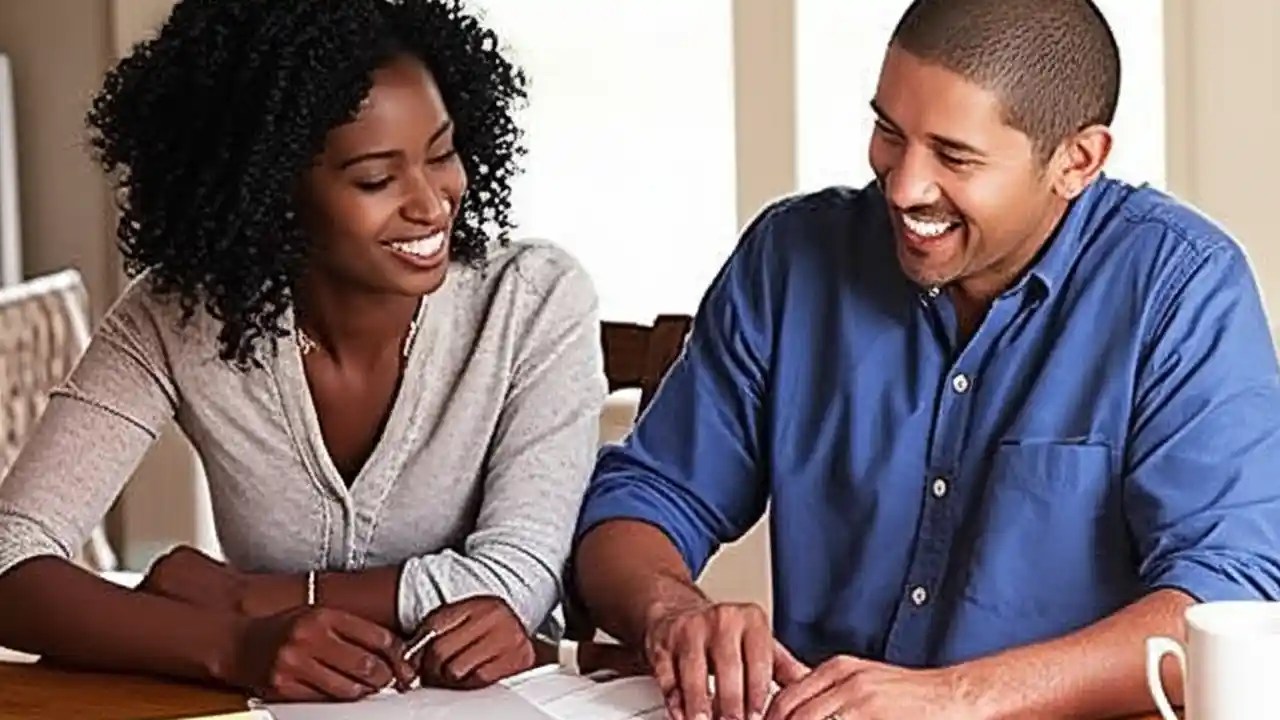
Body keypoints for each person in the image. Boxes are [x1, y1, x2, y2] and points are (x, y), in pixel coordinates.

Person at [571, 1, 1280, 718]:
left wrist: (955, 699)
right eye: (888, 131)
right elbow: (639, 504)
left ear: (1077, 160)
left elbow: (1228, 598)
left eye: (955, 156)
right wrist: (674, 612)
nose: (904, 186)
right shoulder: (791, 259)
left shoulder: (1181, 288)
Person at [0, 0, 610, 703]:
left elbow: (513, 580)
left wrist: (243, 597)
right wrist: (231, 645)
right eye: (377, 179)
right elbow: (13, 553)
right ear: (267, 192)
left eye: (441, 153)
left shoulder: (532, 300)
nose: (432, 203)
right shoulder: (180, 315)